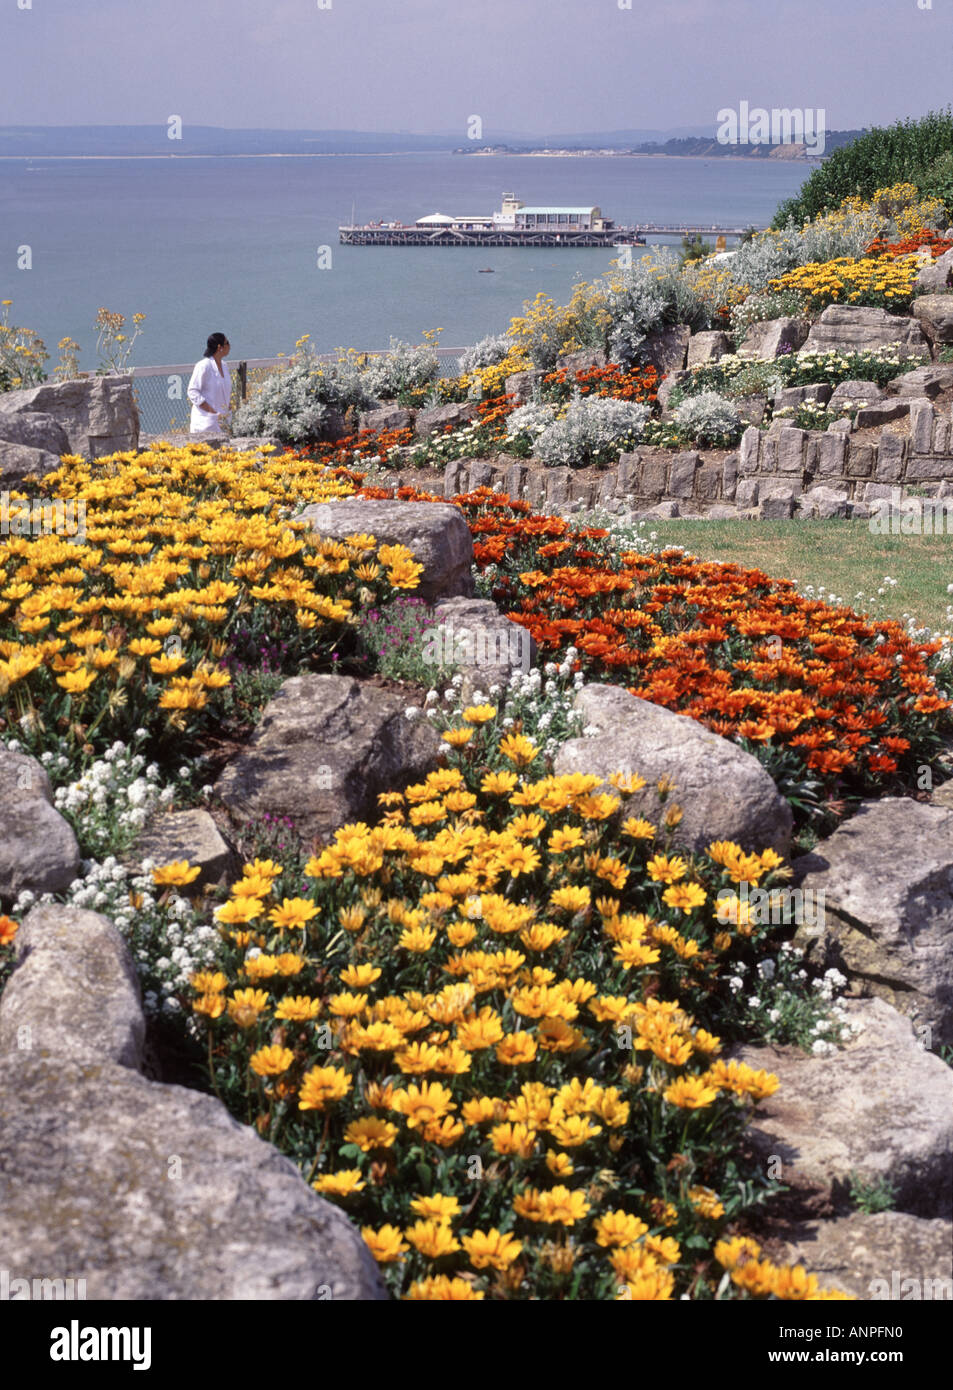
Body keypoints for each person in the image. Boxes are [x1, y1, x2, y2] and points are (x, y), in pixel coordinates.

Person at [187, 333, 232, 436]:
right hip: (205, 422)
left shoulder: (224, 366)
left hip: (222, 422)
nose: (229, 346)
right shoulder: (203, 366)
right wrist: (211, 411)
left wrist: (229, 406)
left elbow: (224, 390)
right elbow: (192, 391)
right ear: (219, 347)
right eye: (227, 343)